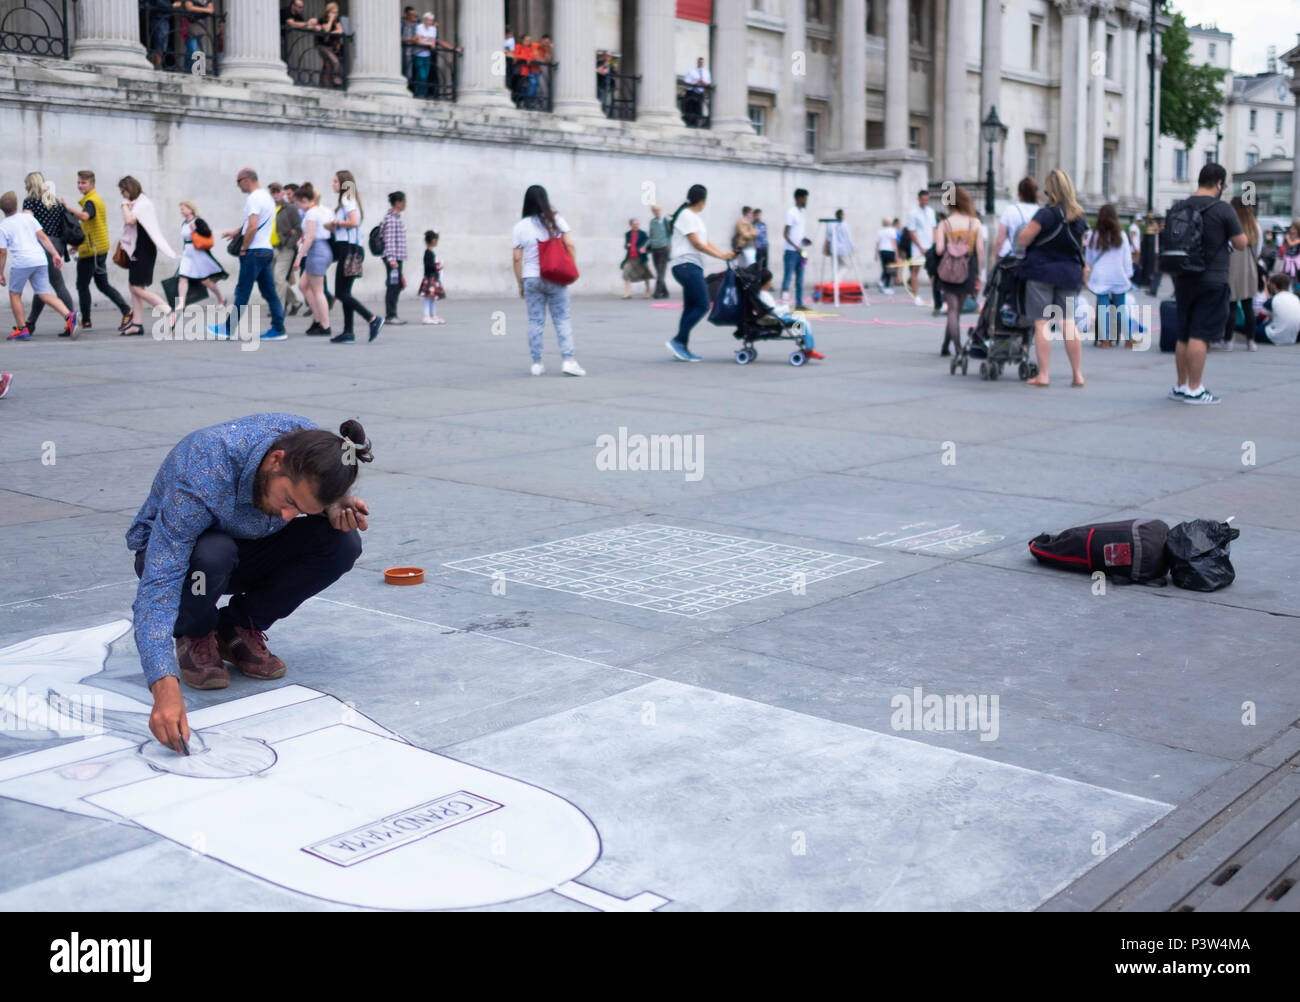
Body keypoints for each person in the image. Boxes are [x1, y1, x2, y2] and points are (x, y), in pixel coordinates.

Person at [129, 415, 372, 751]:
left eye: (299, 509)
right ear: (275, 461)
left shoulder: (309, 448)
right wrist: (163, 686)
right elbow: (159, 583)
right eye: (288, 501)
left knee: (341, 544)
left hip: (248, 547)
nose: (287, 516)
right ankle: (195, 632)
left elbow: (311, 492)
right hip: (188, 561)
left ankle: (237, 627)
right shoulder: (203, 469)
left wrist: (331, 506)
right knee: (214, 554)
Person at [1163, 164, 1246, 405]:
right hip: (1212, 278)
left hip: (1182, 276)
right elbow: (1240, 243)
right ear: (1219, 183)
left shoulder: (1180, 206)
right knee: (1200, 334)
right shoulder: (1222, 209)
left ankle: (1180, 386)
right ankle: (1195, 388)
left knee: (1184, 334)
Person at [1016, 168, 1088, 388]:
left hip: (1041, 271)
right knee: (1068, 321)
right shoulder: (1079, 217)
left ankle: (1044, 375)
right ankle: (1077, 374)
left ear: (1050, 189)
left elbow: (1023, 239)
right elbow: (1081, 247)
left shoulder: (1045, 214)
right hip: (1068, 273)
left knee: (1042, 322)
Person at [512, 184, 585, 377]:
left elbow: (517, 258)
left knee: (535, 321)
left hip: (531, 278)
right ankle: (568, 360)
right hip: (554, 277)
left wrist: (520, 284)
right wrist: (570, 266)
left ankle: (536, 363)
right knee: (562, 319)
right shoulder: (557, 220)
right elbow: (569, 244)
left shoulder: (520, 227)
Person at [211, 168, 285, 344]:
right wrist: (237, 232)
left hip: (253, 251)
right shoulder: (267, 197)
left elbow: (252, 226)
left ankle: (228, 328)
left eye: (238, 182)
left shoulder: (253, 198)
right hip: (265, 250)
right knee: (270, 293)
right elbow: (254, 223)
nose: (238, 186)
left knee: (242, 291)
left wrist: (244, 247)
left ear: (247, 180)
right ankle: (279, 328)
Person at [665, 183, 735, 362]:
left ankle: (682, 346)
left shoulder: (693, 217)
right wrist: (720, 255)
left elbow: (705, 241)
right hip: (686, 266)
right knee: (703, 304)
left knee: (691, 306)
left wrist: (722, 255)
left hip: (690, 266)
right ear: (703, 200)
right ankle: (678, 340)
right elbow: (697, 244)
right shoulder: (687, 216)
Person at [0, 190, 77, 341]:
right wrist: (55, 254)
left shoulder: (3, 226)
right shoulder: (28, 218)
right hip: (40, 259)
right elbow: (42, 237)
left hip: (22, 262)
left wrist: (0, 273)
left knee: (15, 294)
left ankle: (22, 329)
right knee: (44, 294)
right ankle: (70, 316)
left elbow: (2, 252)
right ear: (16, 205)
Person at [63, 170, 132, 333]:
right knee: (102, 284)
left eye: (83, 182)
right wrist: (78, 245)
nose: (80, 185)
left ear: (92, 184)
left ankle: (87, 320)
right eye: (79, 182)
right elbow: (89, 227)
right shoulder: (92, 199)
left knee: (82, 285)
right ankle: (125, 310)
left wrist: (68, 209)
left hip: (92, 251)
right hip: (96, 248)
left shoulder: (91, 201)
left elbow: (85, 217)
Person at [323, 170, 382, 345]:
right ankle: (348, 332)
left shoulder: (346, 199)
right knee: (345, 292)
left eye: (335, 181)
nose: (332, 184)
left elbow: (354, 222)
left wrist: (335, 223)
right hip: (351, 249)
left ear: (343, 183)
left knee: (341, 293)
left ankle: (372, 318)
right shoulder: (349, 200)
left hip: (348, 250)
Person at [118, 175, 176, 338]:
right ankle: (137, 324)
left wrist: (124, 206)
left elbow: (129, 220)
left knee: (136, 287)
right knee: (134, 287)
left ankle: (168, 311)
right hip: (140, 250)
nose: (123, 196)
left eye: (123, 192)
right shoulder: (139, 203)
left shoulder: (142, 205)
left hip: (143, 251)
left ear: (129, 189)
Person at [933, 186, 985, 357]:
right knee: (957, 310)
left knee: (952, 311)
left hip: (949, 269)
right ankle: (950, 346)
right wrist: (979, 273)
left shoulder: (944, 223)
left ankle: (953, 346)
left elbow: (939, 250)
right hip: (967, 268)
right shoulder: (975, 223)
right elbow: (980, 250)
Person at [21, 172, 76, 335]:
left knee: (57, 285)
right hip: (57, 245)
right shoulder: (56, 201)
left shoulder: (30, 201)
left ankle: (72, 321)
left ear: (30, 184)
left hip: (41, 244)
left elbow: (27, 223)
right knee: (42, 286)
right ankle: (30, 323)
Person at [1084, 204, 1134, 348]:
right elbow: (1127, 258)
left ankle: (1105, 340)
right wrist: (1128, 274)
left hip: (1101, 276)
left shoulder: (1094, 235)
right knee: (1121, 307)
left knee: (1103, 307)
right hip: (1118, 275)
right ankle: (1128, 339)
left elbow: (1090, 259)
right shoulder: (1122, 235)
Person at [171, 200, 227, 329]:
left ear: (190, 209)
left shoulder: (198, 221)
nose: (182, 211)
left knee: (205, 281)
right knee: (183, 277)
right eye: (181, 209)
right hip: (188, 253)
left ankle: (221, 298)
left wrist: (195, 230)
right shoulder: (184, 223)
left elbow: (207, 233)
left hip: (199, 253)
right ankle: (181, 303)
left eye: (183, 208)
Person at [292, 183, 334, 339]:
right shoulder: (325, 210)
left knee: (318, 291)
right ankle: (318, 320)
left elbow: (309, 237)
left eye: (297, 203)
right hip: (324, 249)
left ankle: (324, 324)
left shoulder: (311, 213)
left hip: (316, 251)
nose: (297, 206)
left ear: (304, 199)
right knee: (304, 285)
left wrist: (298, 257)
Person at [758, 269, 824, 360]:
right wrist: (786, 307)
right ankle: (808, 347)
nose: (771, 283)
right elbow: (773, 311)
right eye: (770, 281)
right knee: (802, 322)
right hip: (777, 317)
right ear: (765, 283)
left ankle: (804, 341)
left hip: (777, 315)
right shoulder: (763, 295)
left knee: (801, 318)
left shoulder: (762, 294)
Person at [1225, 196, 1261, 352]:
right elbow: (1258, 251)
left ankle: (1228, 340)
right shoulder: (1255, 226)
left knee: (1231, 305)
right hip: (1250, 268)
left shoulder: (1231, 225)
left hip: (1233, 266)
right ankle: (1251, 341)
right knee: (1248, 306)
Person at [273, 183, 305, 316]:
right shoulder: (269, 208)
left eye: (277, 191)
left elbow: (298, 229)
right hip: (271, 247)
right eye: (272, 192)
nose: (275, 194)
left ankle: (278, 311)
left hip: (285, 248)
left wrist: (290, 243)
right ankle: (295, 302)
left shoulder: (290, 208)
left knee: (278, 277)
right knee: (273, 279)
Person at [993, 177, 1039, 269]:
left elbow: (1000, 239)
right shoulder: (1040, 211)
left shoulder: (1010, 210)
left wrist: (995, 257)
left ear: (1019, 193)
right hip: (1031, 258)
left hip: (1009, 256)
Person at [905, 189, 938, 306]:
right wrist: (920, 246)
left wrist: (934, 243)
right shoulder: (913, 213)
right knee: (915, 270)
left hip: (930, 245)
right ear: (919, 199)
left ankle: (935, 296)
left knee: (933, 272)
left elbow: (934, 228)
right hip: (918, 246)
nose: (925, 202)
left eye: (927, 200)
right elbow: (911, 231)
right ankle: (916, 296)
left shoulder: (931, 212)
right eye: (923, 199)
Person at [381, 191, 408, 324]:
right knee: (393, 286)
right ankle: (391, 315)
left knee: (395, 286)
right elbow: (390, 240)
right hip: (393, 259)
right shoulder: (391, 219)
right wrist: (392, 259)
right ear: (398, 203)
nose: (405, 204)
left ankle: (392, 314)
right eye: (404, 201)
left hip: (396, 258)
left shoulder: (395, 218)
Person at [782, 188, 812, 310]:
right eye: (805, 198)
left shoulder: (801, 213)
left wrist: (805, 240)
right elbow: (785, 234)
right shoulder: (791, 212)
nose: (806, 201)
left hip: (800, 251)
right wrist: (796, 247)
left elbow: (798, 233)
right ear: (799, 198)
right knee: (788, 277)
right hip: (791, 251)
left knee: (800, 278)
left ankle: (799, 303)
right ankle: (784, 304)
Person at [1260, 273, 1300, 344]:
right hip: (1295, 336)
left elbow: (1261, 316)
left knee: (1248, 327)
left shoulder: (1274, 299)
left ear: (1273, 285)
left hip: (1276, 336)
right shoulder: (1295, 298)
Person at [176, 0, 214, 74]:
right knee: (192, 49)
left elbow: (211, 10)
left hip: (201, 28)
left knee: (194, 49)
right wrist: (205, 10)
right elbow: (189, 8)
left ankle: (189, 70)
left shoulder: (206, 1)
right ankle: (192, 70)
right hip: (190, 27)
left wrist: (197, 9)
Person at [621, 218, 653, 298]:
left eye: (637, 224)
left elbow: (648, 244)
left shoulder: (643, 233)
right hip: (630, 257)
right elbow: (626, 245)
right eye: (634, 224)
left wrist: (644, 248)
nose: (636, 226)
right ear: (630, 225)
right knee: (626, 273)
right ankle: (627, 293)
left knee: (646, 275)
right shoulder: (628, 234)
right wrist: (627, 245)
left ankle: (648, 291)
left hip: (640, 257)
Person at [315, 3, 344, 89]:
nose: (336, 15)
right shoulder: (322, 20)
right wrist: (330, 20)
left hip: (330, 47)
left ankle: (325, 85)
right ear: (328, 12)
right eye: (334, 12)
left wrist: (331, 34)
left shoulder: (336, 21)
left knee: (327, 66)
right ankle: (336, 78)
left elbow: (340, 31)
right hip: (322, 46)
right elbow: (326, 29)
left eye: (337, 13)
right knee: (335, 61)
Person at [419, 230, 446, 325]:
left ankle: (433, 315)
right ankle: (426, 316)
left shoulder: (430, 252)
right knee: (428, 299)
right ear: (433, 240)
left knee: (432, 298)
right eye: (436, 239)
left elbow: (430, 265)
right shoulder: (428, 253)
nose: (437, 241)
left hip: (432, 279)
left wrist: (436, 265)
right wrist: (438, 266)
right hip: (429, 279)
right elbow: (429, 266)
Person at [647, 204, 671, 298]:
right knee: (659, 272)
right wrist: (646, 246)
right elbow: (651, 236)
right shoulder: (652, 222)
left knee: (661, 271)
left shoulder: (665, 221)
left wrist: (669, 246)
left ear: (660, 210)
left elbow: (670, 234)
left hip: (663, 249)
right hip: (654, 249)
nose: (656, 212)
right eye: (654, 210)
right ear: (653, 212)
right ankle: (665, 292)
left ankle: (657, 293)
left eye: (658, 210)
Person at [682, 57, 711, 126]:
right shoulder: (692, 71)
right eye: (699, 62)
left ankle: (696, 123)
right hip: (692, 91)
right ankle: (689, 123)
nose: (700, 63)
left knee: (698, 108)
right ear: (697, 62)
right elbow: (686, 81)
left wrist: (702, 82)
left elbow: (708, 83)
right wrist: (695, 83)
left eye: (702, 62)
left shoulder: (706, 72)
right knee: (690, 108)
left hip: (700, 92)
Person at [875, 216, 898, 294]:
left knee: (884, 267)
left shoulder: (880, 231)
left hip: (882, 250)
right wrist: (897, 254)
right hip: (890, 250)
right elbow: (894, 243)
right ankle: (887, 286)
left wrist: (876, 253)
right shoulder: (892, 231)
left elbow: (877, 244)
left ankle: (882, 281)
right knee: (889, 268)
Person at [401, 6, 419, 87]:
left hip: (413, 52)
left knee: (411, 74)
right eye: (411, 15)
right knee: (403, 71)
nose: (413, 17)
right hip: (402, 51)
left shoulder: (416, 25)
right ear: (405, 14)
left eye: (414, 15)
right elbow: (396, 39)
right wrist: (410, 40)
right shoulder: (401, 24)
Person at [1127, 215, 1143, 288]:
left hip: (1136, 247)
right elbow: (1131, 237)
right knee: (1134, 264)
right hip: (1134, 248)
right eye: (1138, 220)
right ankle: (1131, 281)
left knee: (1135, 264)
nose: (1139, 222)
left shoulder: (1136, 227)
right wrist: (1135, 247)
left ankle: (1133, 281)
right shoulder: (1133, 227)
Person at [753, 208, 769, 273]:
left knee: (765, 266)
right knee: (758, 266)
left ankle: (764, 281)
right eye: (757, 215)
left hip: (764, 247)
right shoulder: (752, 225)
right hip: (758, 248)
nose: (759, 217)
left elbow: (765, 235)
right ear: (754, 216)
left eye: (760, 215)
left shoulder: (763, 224)